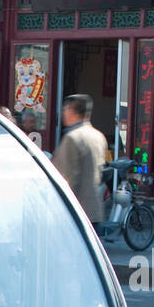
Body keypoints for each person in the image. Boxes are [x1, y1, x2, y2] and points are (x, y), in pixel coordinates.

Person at [50, 94, 108, 223]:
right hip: (94, 208)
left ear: (72, 111)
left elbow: (67, 177)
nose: (63, 112)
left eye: (65, 109)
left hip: (76, 211)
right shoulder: (98, 136)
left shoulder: (72, 138)